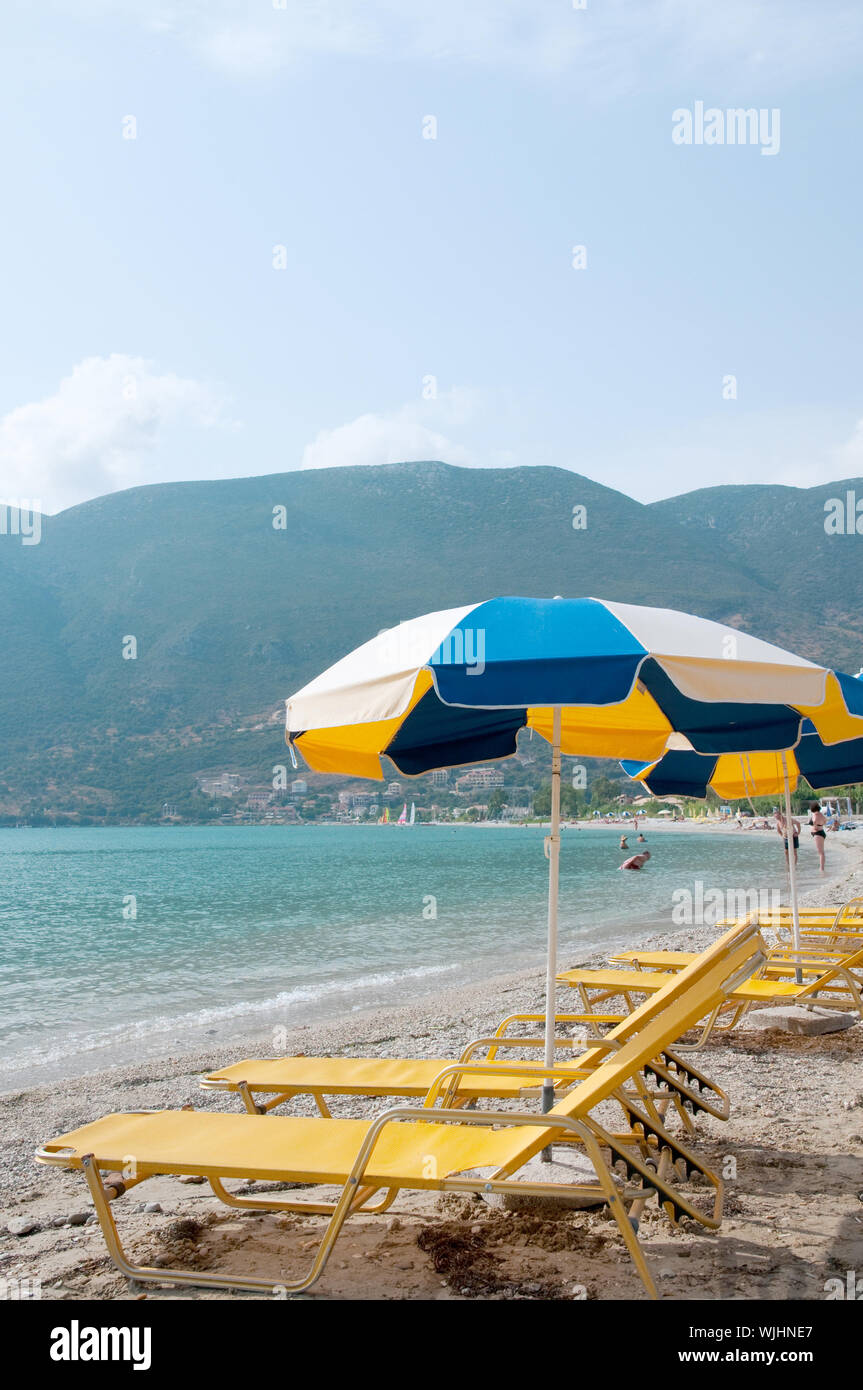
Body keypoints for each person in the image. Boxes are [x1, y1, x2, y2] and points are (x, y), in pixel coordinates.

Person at [809, 801, 827, 873]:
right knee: (821, 852)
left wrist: (814, 826)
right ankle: (822, 868)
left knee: (821, 853)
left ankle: (821, 869)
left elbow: (815, 827)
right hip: (820, 832)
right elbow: (825, 821)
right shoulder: (821, 815)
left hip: (817, 833)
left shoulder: (815, 816)